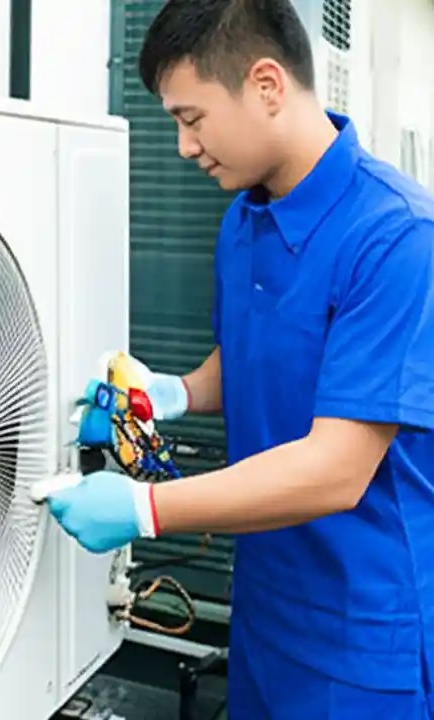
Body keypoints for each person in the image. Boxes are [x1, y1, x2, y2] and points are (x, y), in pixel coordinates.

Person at [42, 0, 434, 717]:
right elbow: (257, 354)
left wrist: (144, 508)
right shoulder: (244, 219)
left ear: (266, 85)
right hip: (265, 606)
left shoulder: (399, 238)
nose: (184, 147)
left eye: (192, 119)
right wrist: (172, 394)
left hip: (361, 633)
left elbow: (337, 469)